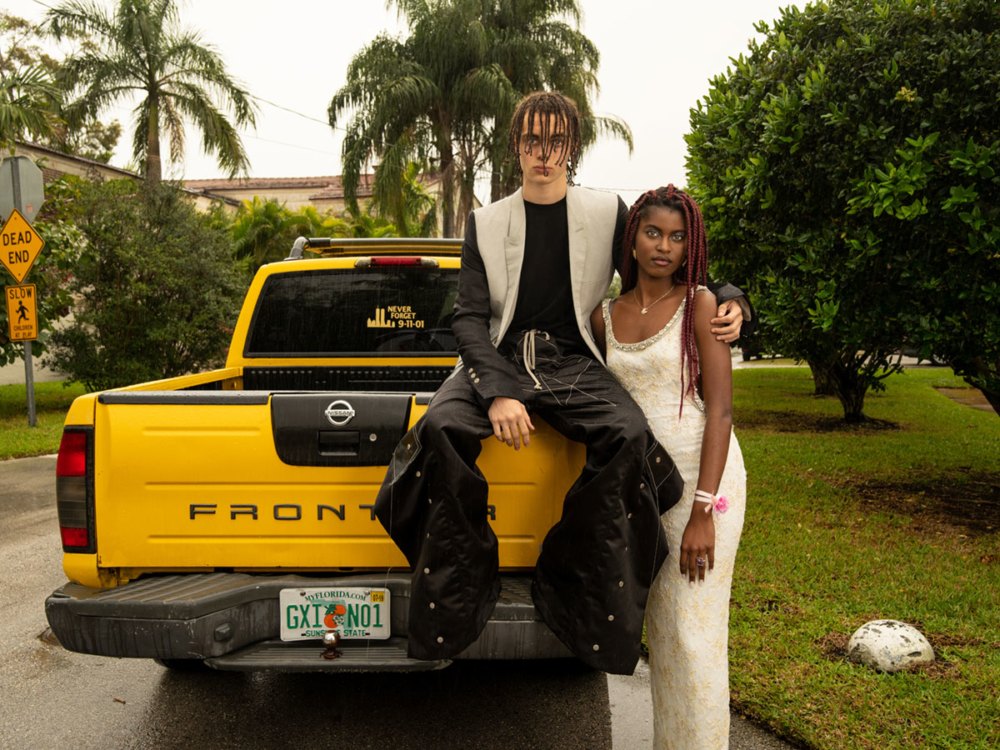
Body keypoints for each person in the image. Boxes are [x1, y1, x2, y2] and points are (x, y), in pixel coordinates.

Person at [374, 91, 747, 675]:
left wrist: (728, 295)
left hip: (569, 358)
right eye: (531, 141)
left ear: (572, 147)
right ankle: (467, 581)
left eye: (556, 142)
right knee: (441, 428)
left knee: (627, 433)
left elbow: (663, 261)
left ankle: (570, 576)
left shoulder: (606, 212)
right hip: (496, 356)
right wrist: (497, 390)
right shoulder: (485, 220)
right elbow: (468, 318)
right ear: (516, 145)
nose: (543, 154)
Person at [591, 185, 746, 748]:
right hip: (645, 491)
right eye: (653, 233)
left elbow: (722, 410)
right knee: (666, 634)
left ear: (689, 246)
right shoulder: (603, 316)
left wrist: (704, 511)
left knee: (696, 635)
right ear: (632, 240)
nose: (665, 246)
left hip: (707, 484)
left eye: (678, 237)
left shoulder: (702, 304)